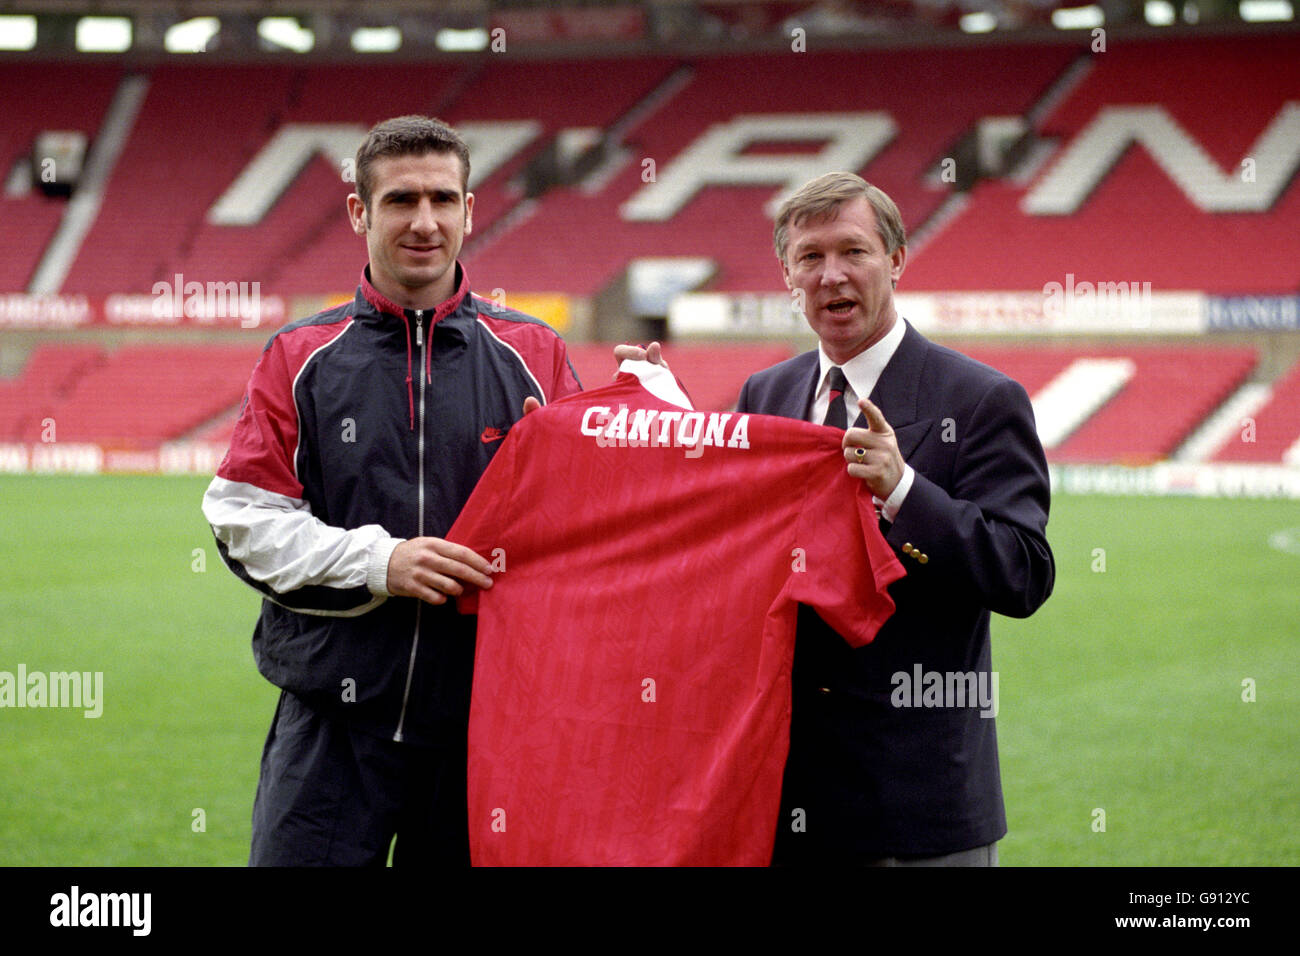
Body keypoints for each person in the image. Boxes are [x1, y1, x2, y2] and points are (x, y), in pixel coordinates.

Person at [201, 115, 583, 866]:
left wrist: (656, 421)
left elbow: (591, 518)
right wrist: (380, 563)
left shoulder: (534, 352)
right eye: (401, 200)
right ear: (359, 212)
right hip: (331, 728)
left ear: (469, 210)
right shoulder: (299, 356)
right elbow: (244, 518)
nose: (424, 222)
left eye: (442, 199)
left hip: (482, 727)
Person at [735, 172, 1055, 865]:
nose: (831, 275)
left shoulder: (980, 398)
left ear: (897, 259)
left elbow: (1024, 573)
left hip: (919, 807)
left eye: (853, 251)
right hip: (788, 799)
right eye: (810, 257)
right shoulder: (767, 392)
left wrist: (905, 489)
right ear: (787, 275)